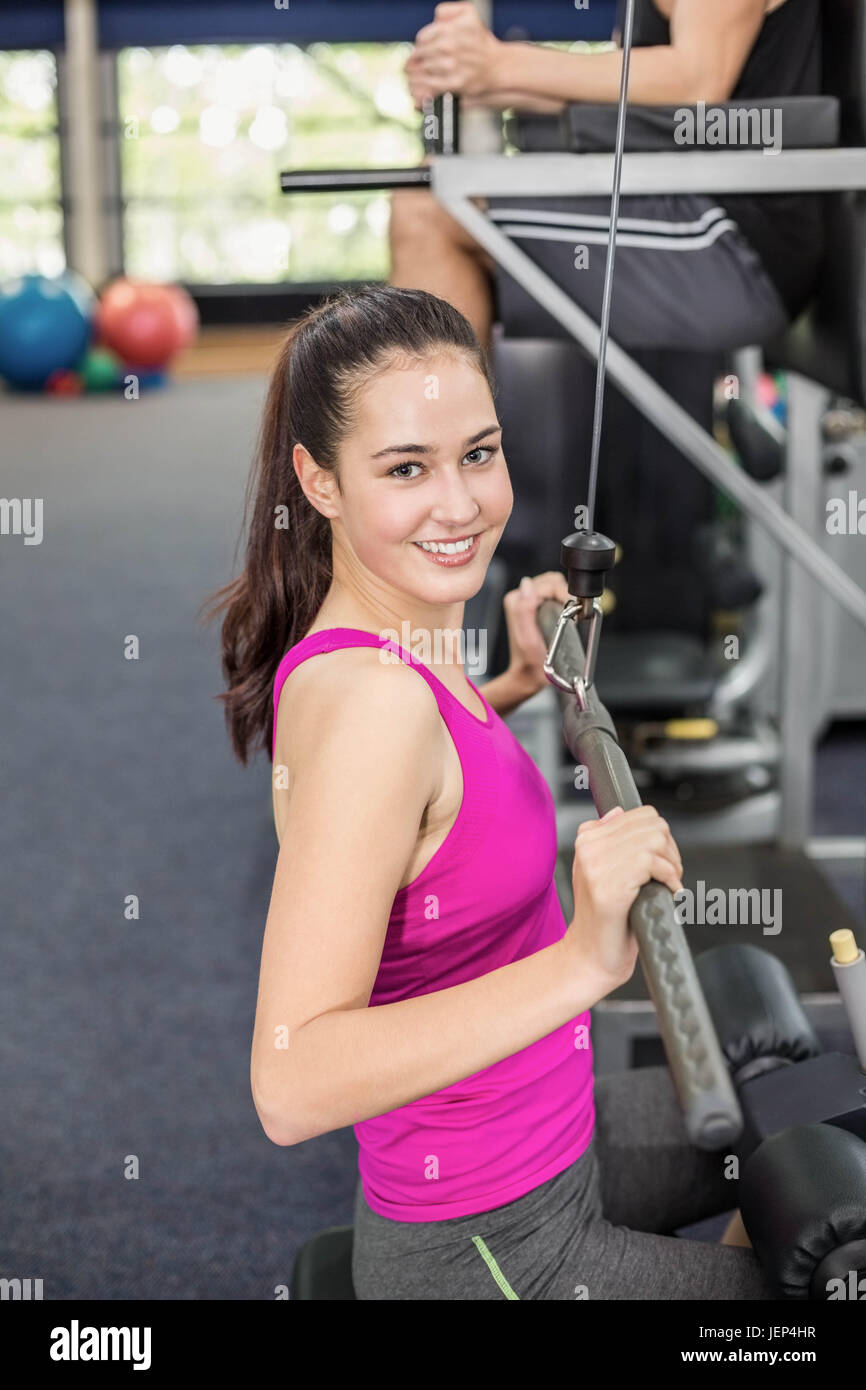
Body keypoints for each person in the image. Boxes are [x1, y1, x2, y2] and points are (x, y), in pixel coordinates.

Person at [206, 283, 776, 1299]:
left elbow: (428, 809)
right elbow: (289, 1086)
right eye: (405, 469)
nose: (461, 504)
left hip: (554, 1130)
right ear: (319, 480)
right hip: (490, 1248)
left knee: (807, 1119)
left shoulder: (393, 640)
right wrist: (578, 961)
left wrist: (510, 685)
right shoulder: (375, 710)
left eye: (477, 452)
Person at [391, 0, 823, 353]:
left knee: (429, 211)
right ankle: (445, 449)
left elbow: (697, 80)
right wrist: (477, 80)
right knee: (431, 191)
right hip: (688, 211)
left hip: (734, 246)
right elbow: (638, 101)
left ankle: (444, 451)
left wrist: (500, 64)